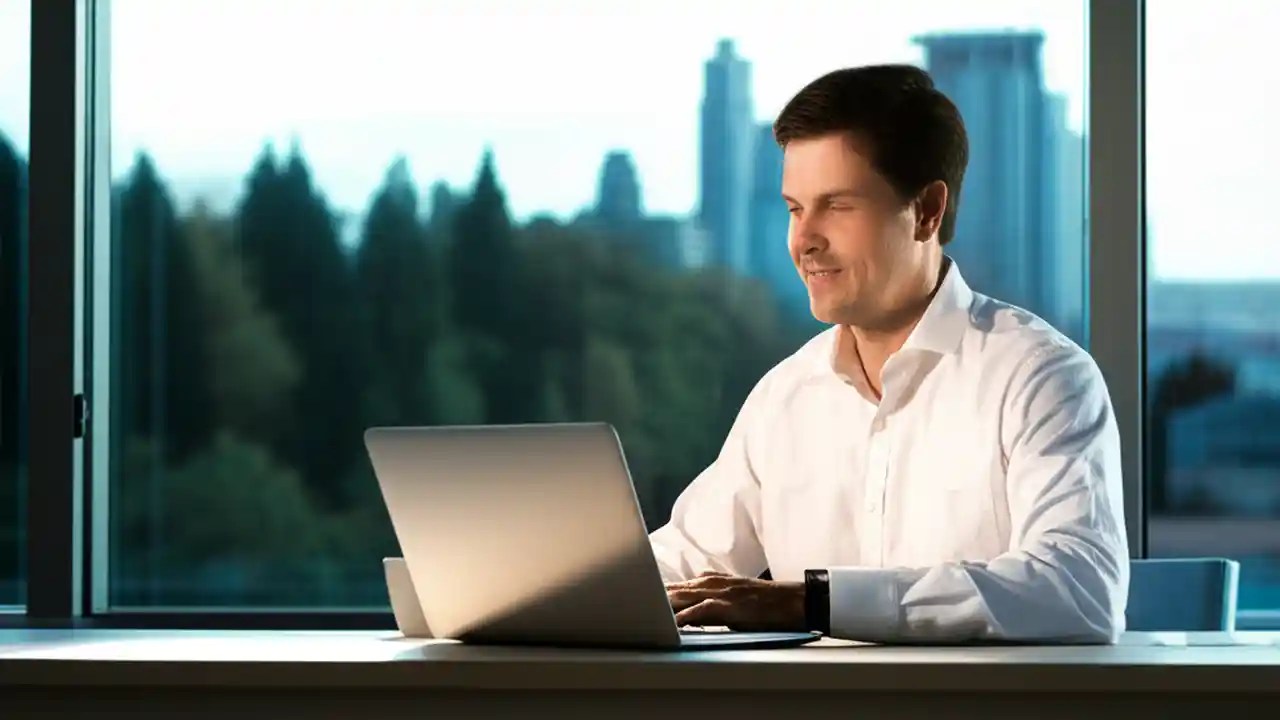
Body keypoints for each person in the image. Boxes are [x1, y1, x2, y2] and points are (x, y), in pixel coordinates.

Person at [653, 64, 1128, 644]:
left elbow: (1079, 588)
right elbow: (680, 567)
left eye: (837, 205)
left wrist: (816, 602)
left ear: (926, 211)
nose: (803, 240)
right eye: (795, 208)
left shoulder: (1040, 378)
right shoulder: (784, 397)